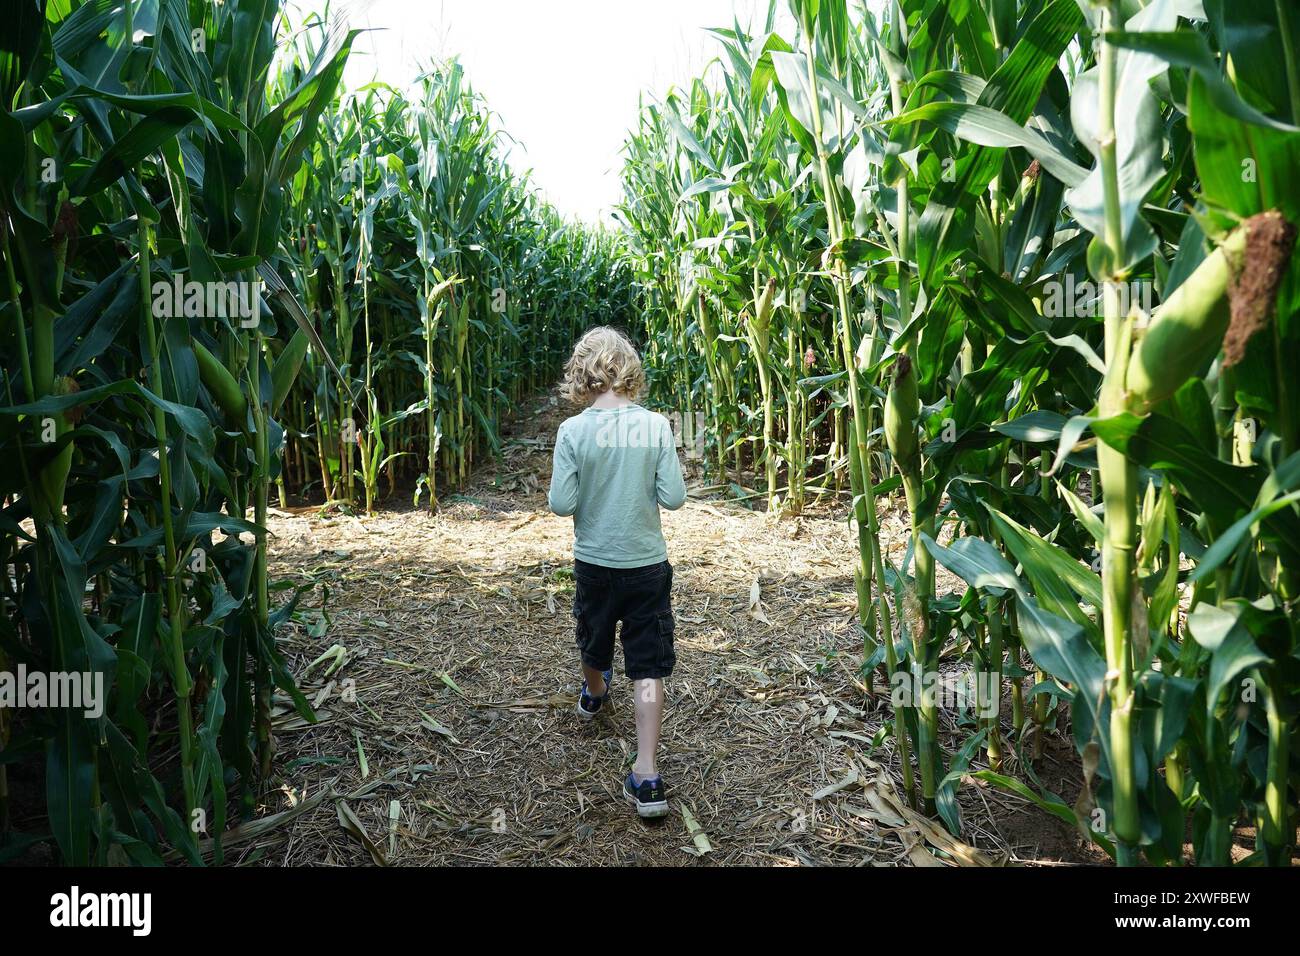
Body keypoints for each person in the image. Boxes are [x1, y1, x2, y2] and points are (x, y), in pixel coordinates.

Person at [547, 326, 687, 819]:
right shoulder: (655, 426)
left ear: (582, 375)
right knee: (647, 663)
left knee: (593, 637)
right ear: (630, 372)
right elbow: (673, 497)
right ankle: (647, 774)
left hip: (595, 565)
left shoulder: (572, 431)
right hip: (647, 566)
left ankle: (596, 691)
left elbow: (561, 503)